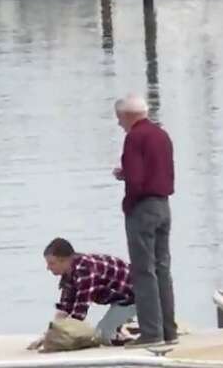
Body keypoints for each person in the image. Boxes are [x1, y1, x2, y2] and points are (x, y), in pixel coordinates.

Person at [114, 94, 178, 348]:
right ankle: (168, 330)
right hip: (163, 205)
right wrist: (127, 173)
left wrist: (128, 204)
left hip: (143, 208)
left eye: (119, 118)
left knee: (143, 271)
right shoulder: (161, 135)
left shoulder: (135, 137)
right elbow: (157, 170)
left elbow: (137, 181)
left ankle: (151, 333)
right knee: (162, 268)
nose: (119, 124)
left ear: (127, 116)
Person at [30, 238, 137, 347]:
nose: (48, 268)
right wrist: (45, 337)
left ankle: (133, 329)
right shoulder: (70, 272)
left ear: (65, 260)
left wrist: (55, 337)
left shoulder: (85, 271)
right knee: (97, 332)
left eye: (51, 263)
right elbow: (65, 308)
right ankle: (124, 326)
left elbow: (78, 315)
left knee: (103, 335)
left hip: (136, 296)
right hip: (121, 298)